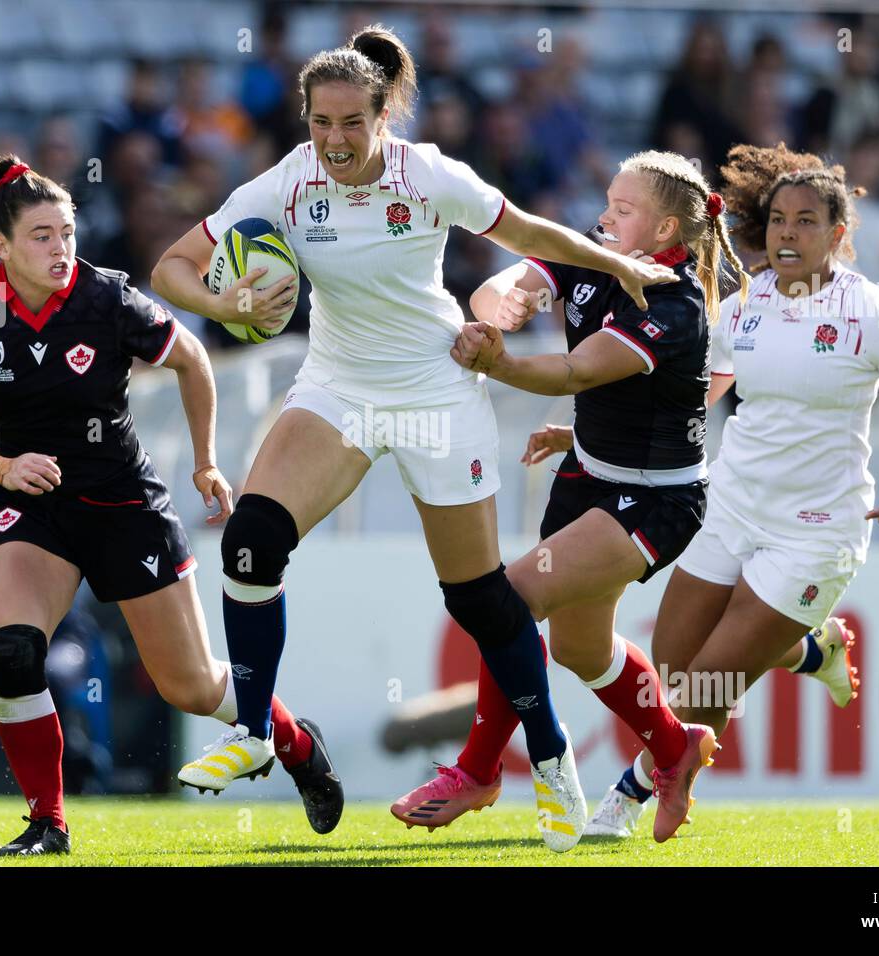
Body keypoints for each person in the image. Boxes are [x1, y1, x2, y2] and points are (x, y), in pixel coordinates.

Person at [151, 24, 677, 852]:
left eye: (351, 123)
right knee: (250, 541)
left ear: (382, 114)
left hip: (435, 390)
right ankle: (255, 728)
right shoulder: (288, 183)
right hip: (338, 388)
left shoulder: (427, 174)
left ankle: (548, 758)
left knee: (478, 600)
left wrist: (615, 266)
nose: (333, 140)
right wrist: (226, 307)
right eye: (319, 124)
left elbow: (530, 232)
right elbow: (171, 267)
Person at [0, 155, 342, 856]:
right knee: (13, 654)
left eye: (68, 233)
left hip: (124, 506)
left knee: (194, 688)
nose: (61, 249)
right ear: (2, 247)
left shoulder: (106, 298)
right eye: (42, 236)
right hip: (35, 507)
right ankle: (48, 822)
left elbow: (192, 359)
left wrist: (204, 461)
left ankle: (297, 747)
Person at [590, 142, 879, 838]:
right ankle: (811, 650)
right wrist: (587, 431)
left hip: (815, 530)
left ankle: (630, 793)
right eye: (780, 220)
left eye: (807, 222)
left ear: (839, 236)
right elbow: (701, 394)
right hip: (730, 509)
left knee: (706, 687)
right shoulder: (746, 303)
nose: (789, 233)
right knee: (670, 678)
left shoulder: (877, 317)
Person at [391, 150, 743, 843]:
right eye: (607, 201)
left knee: (510, 600)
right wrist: (507, 304)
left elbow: (579, 370)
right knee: (582, 651)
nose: (605, 215)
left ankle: (477, 770)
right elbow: (505, 283)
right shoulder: (592, 254)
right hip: (588, 476)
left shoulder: (674, 305)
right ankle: (673, 748)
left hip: (655, 503)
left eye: (623, 208)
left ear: (667, 226)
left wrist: (502, 363)